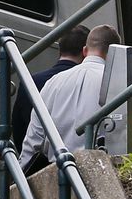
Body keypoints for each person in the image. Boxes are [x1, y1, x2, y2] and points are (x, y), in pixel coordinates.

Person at [18, 24, 122, 170]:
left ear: (85, 51)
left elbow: (35, 136)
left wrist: (21, 172)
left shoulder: (54, 82)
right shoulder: (119, 84)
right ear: (115, 54)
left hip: (59, 170)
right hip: (100, 170)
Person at [10, 23, 88, 154]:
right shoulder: (86, 82)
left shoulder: (31, 81)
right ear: (85, 52)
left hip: (38, 158)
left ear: (60, 48)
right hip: (74, 157)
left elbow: (19, 126)